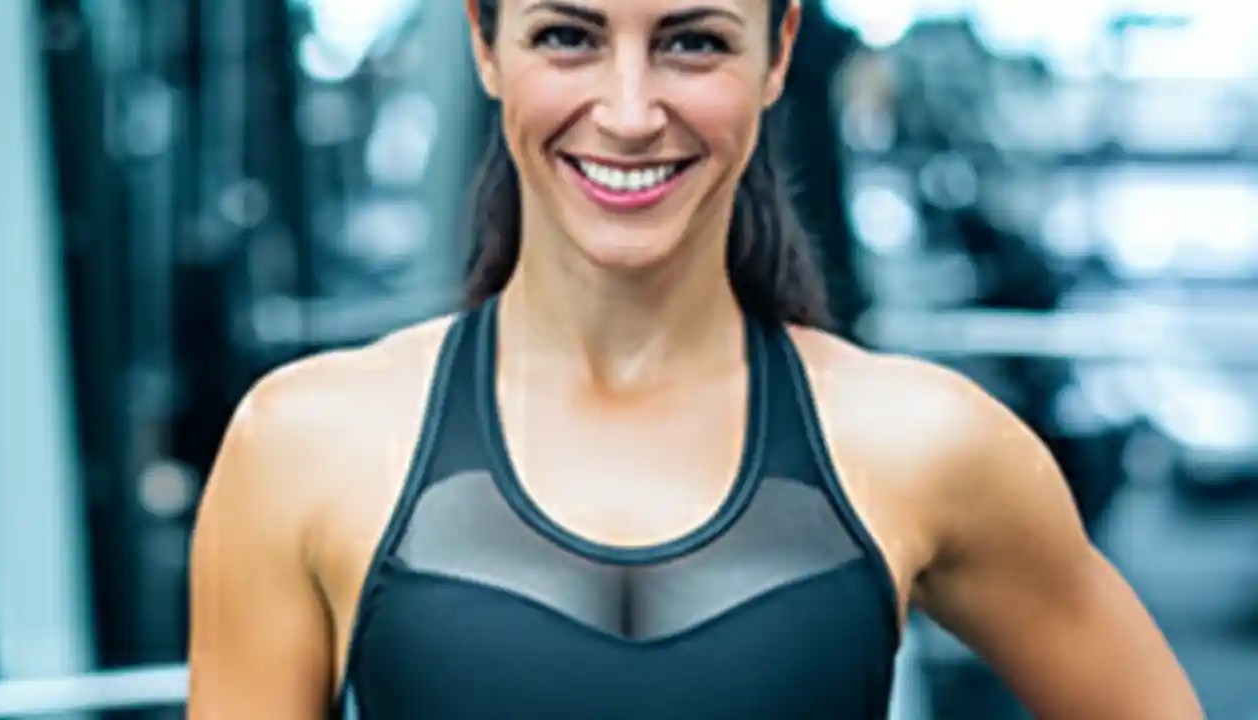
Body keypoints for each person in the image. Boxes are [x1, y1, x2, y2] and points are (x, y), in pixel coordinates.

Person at [186, 0, 1204, 718]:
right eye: (568, 36)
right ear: (485, 44)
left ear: (775, 55)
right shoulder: (306, 445)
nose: (628, 112)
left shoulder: (921, 443)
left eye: (692, 42)